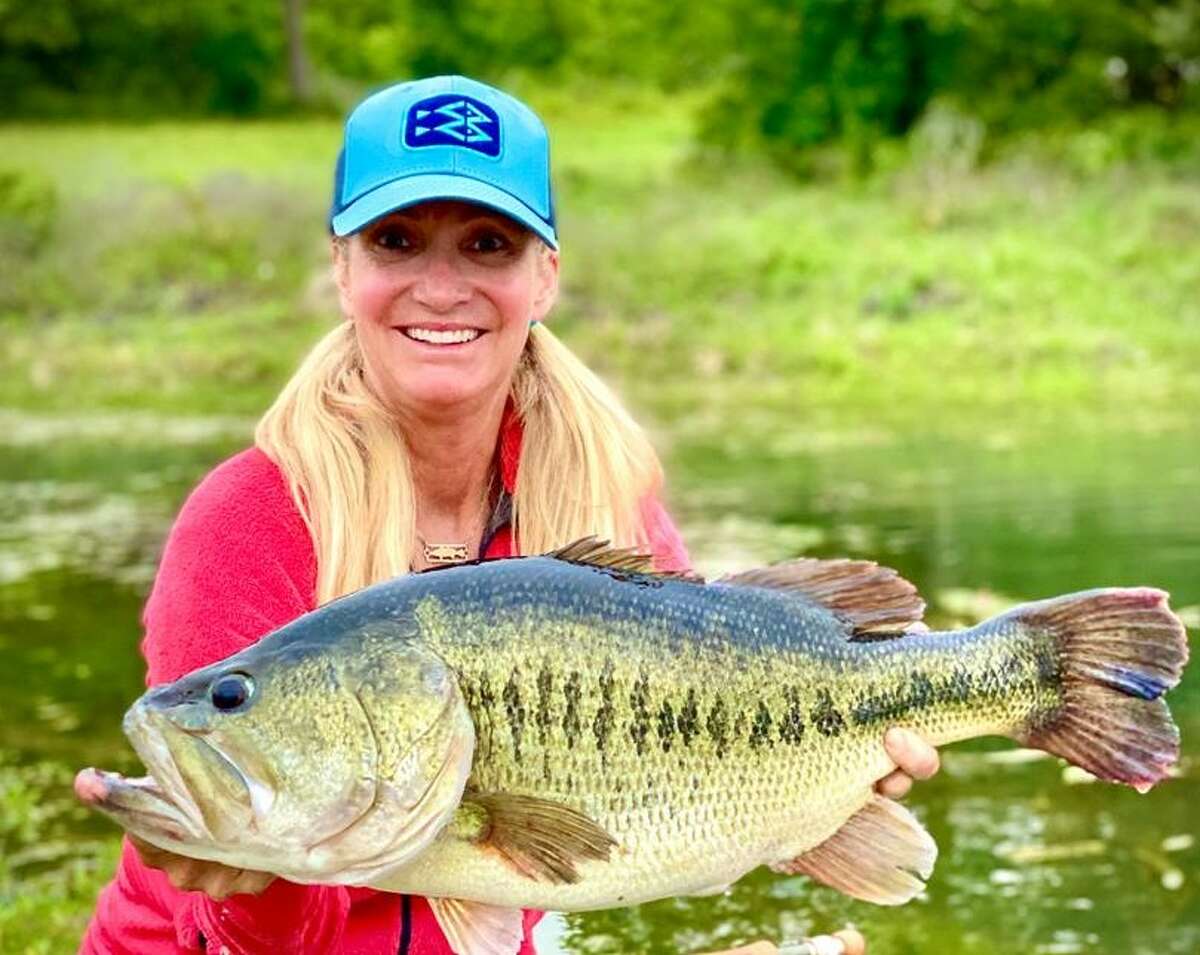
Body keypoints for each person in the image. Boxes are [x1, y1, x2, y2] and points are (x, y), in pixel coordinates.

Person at [78, 75, 938, 955]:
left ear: (546, 277)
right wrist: (251, 881)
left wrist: (809, 800)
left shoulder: (603, 499)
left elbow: (667, 802)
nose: (441, 287)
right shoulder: (245, 523)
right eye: (397, 241)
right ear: (343, 269)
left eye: (488, 243)